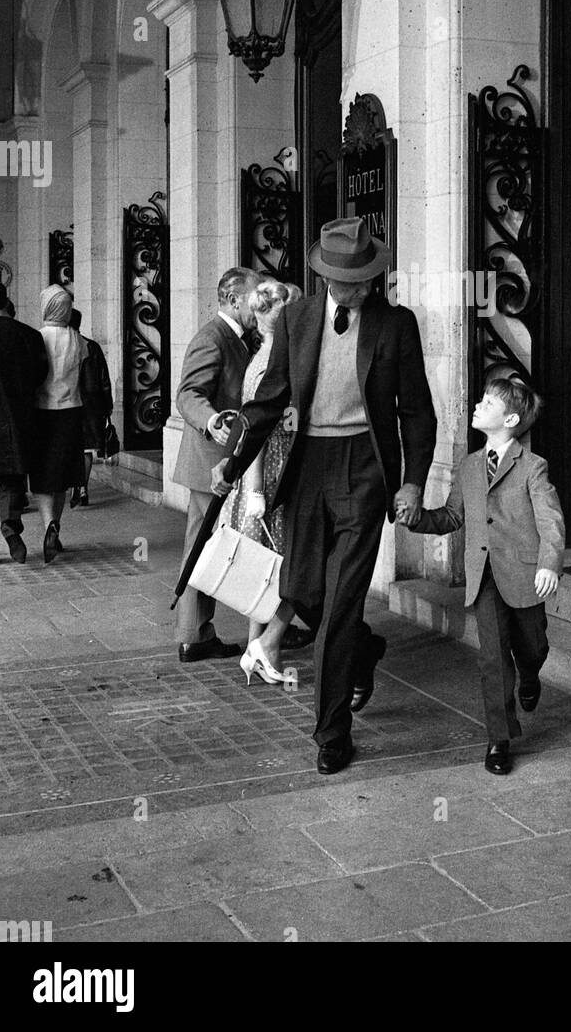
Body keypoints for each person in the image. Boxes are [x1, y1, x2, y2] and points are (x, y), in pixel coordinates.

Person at [213, 216, 437, 775]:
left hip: (366, 469)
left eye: (364, 277)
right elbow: (266, 402)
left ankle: (331, 734)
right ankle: (363, 651)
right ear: (324, 276)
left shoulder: (396, 325)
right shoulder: (298, 317)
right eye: (345, 279)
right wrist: (235, 462)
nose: (356, 287)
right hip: (311, 465)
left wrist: (413, 480)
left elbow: (417, 412)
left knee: (341, 602)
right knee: (301, 588)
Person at [398, 378, 564, 776]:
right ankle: (499, 739)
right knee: (492, 657)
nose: (477, 404)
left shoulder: (532, 466)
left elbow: (551, 520)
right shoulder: (469, 466)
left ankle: (530, 674)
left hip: (524, 574)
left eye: (487, 402)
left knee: (533, 645)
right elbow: (453, 516)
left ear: (509, 419)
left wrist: (549, 563)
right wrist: (418, 517)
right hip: (483, 575)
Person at [216, 277, 308, 684]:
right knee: (289, 565)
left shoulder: (269, 356)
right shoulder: (269, 364)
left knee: (266, 569)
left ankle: (258, 647)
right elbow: (256, 432)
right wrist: (255, 490)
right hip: (270, 473)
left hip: (274, 469)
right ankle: (267, 642)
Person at [174, 267, 260, 662]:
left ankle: (199, 632)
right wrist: (210, 420)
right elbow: (189, 393)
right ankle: (193, 635)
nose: (259, 304)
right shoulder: (213, 337)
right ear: (233, 299)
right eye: (255, 296)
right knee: (201, 546)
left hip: (224, 462)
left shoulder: (239, 338)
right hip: (211, 460)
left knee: (209, 545)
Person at [0, 282, 47, 564]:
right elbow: (40, 375)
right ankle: (11, 529)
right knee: (11, 476)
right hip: (13, 416)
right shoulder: (29, 336)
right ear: (6, 300)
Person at [29, 284, 89, 563]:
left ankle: (48, 524)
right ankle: (57, 527)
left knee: (42, 475)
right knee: (63, 475)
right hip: (71, 412)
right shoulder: (79, 341)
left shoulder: (37, 338)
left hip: (42, 412)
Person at [68, 309, 113, 507]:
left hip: (68, 403)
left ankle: (73, 487)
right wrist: (108, 405)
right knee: (86, 449)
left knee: (71, 448)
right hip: (91, 405)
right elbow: (104, 379)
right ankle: (83, 488)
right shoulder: (91, 346)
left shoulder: (63, 345)